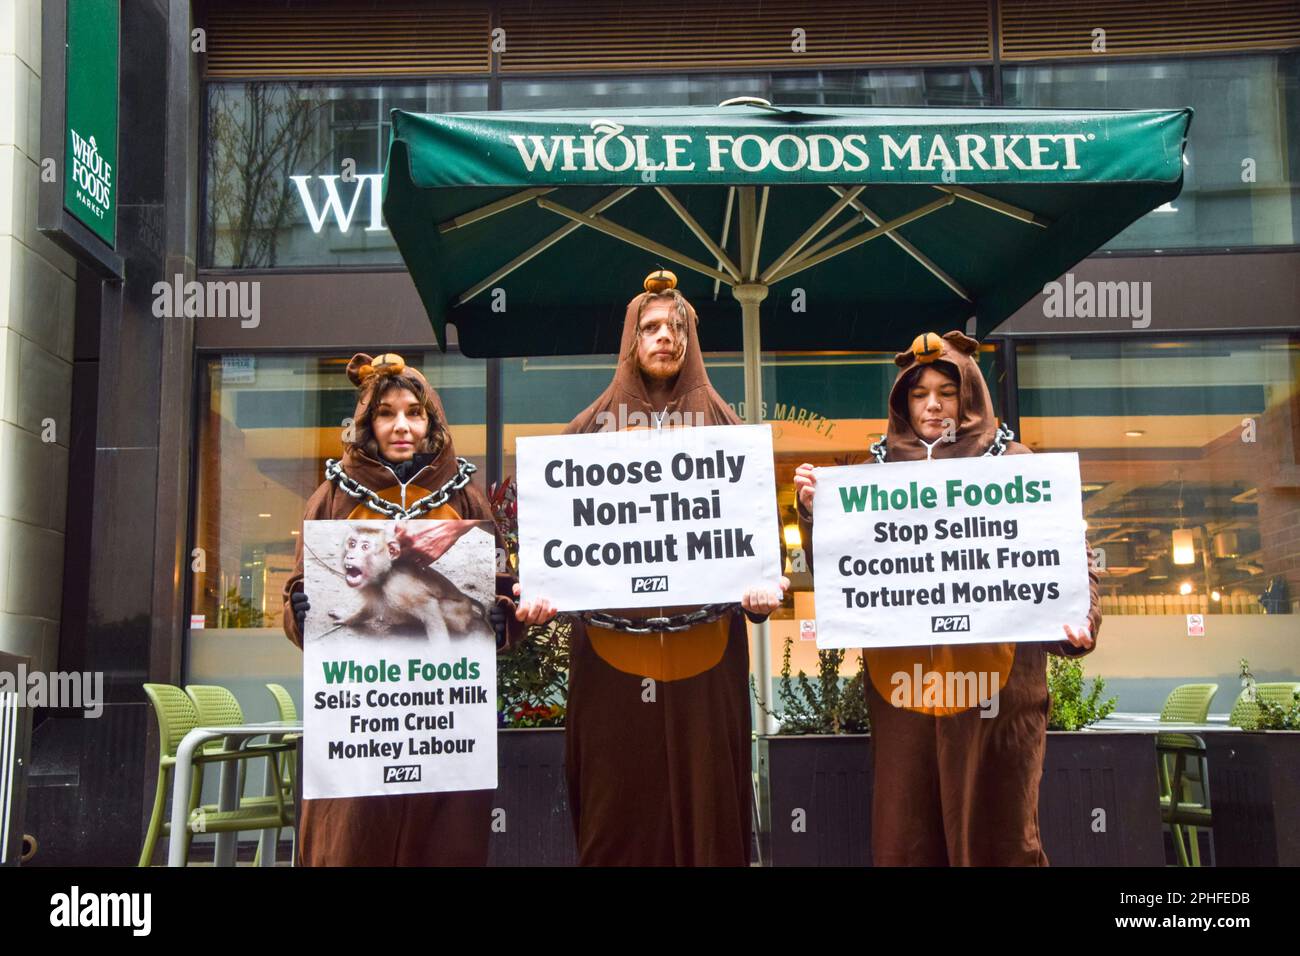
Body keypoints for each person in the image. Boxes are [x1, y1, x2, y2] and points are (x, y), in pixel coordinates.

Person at [794, 330, 1101, 866]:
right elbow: (847, 578)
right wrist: (817, 514)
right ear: (902, 404)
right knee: (907, 835)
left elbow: (1071, 558)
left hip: (1000, 693)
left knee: (1001, 832)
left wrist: (1079, 619)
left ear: (971, 396)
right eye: (919, 393)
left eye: (947, 391)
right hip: (904, 690)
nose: (933, 404)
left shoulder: (1018, 466)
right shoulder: (871, 480)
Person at [516, 270, 787, 866]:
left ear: (690, 341)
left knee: (710, 802)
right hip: (612, 659)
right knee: (618, 807)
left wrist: (764, 595)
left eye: (677, 327)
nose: (665, 337)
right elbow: (552, 538)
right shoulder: (585, 433)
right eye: (651, 327)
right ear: (631, 340)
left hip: (707, 653)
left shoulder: (728, 435)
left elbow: (763, 549)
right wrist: (536, 594)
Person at [281, 351, 524, 866]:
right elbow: (304, 598)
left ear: (430, 421)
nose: (402, 426)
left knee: (445, 840)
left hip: (442, 721)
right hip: (363, 723)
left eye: (414, 412)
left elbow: (501, 587)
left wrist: (501, 618)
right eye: (386, 413)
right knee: (352, 838)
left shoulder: (466, 501)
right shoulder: (331, 498)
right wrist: (298, 610)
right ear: (367, 424)